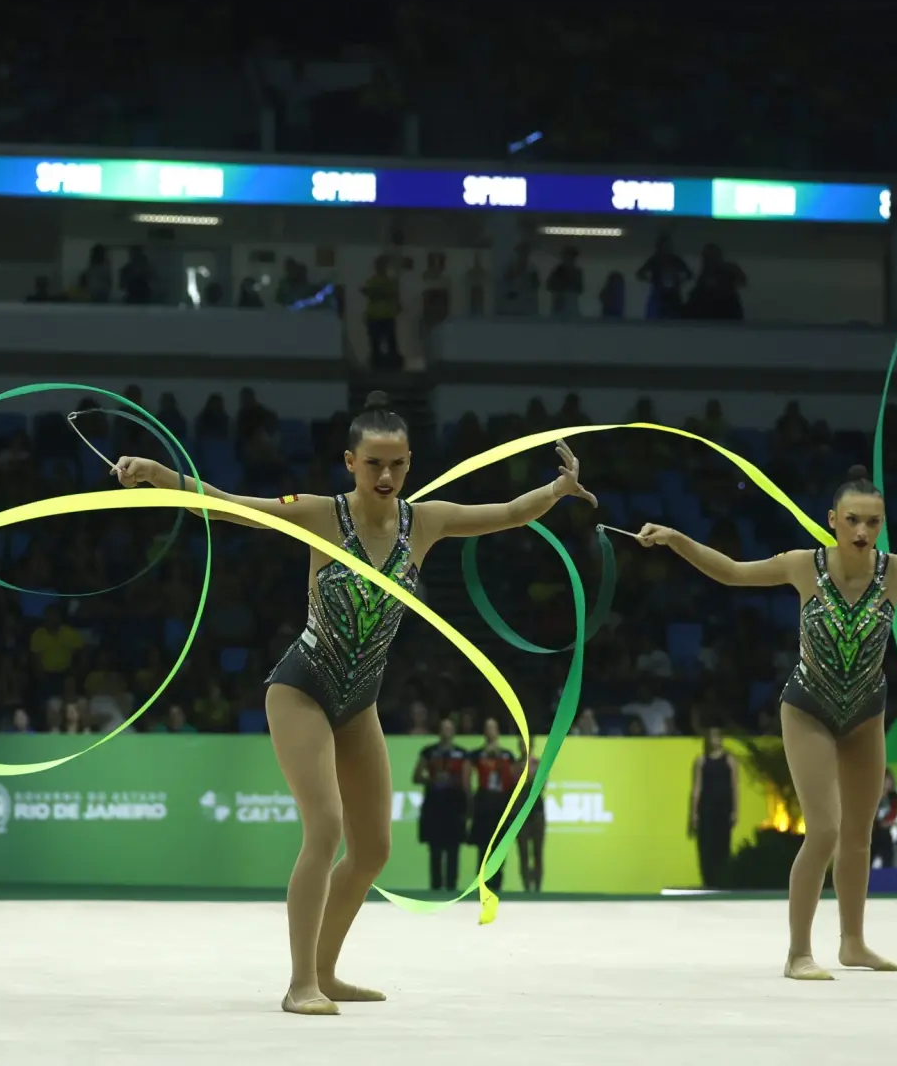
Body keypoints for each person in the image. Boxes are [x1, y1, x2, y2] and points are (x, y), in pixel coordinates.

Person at [111, 391, 596, 1016]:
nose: (387, 476)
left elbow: (504, 512)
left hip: (358, 700)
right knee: (327, 827)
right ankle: (298, 984)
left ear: (411, 462)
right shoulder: (320, 514)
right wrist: (158, 475)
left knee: (373, 850)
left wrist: (558, 490)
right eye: (374, 464)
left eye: (397, 464)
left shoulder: (426, 522)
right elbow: (232, 509)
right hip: (302, 687)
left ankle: (327, 971)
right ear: (349, 461)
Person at [637, 465, 897, 980]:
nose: (861, 533)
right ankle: (797, 953)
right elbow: (733, 573)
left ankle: (853, 943)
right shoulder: (803, 565)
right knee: (823, 830)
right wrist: (676, 539)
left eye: (872, 523)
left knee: (857, 834)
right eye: (852, 521)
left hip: (866, 713)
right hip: (808, 708)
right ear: (832, 519)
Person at [412, 717, 470, 891]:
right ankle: (435, 888)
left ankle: (452, 888)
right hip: (434, 806)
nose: (446, 731)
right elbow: (416, 776)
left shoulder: (462, 754)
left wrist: (468, 807)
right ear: (439, 731)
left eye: (449, 728)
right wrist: (432, 780)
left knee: (453, 850)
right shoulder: (428, 752)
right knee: (435, 850)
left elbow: (466, 783)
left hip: (454, 805)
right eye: (443, 728)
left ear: (453, 732)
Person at [469, 716, 521, 894]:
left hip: (501, 804)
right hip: (484, 803)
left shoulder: (507, 755)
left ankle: (497, 884)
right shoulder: (476, 754)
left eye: (493, 728)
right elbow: (467, 777)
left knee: (499, 846)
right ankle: (482, 883)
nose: (490, 731)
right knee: (483, 847)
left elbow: (514, 779)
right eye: (487, 728)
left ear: (498, 731)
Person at [690, 725, 740, 889]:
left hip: (723, 807)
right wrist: (694, 813)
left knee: (723, 844)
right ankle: (708, 881)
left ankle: (722, 880)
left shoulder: (730, 760)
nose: (715, 740)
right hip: (707, 807)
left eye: (718, 737)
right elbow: (697, 788)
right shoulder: (701, 761)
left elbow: (735, 786)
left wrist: (735, 810)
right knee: (706, 845)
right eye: (712, 737)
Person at [516, 748, 547, 892]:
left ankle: (538, 887)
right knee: (523, 853)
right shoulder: (515, 764)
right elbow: (512, 784)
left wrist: (532, 774)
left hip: (537, 812)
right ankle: (527, 887)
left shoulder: (537, 763)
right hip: (521, 810)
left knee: (537, 852)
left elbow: (543, 784)